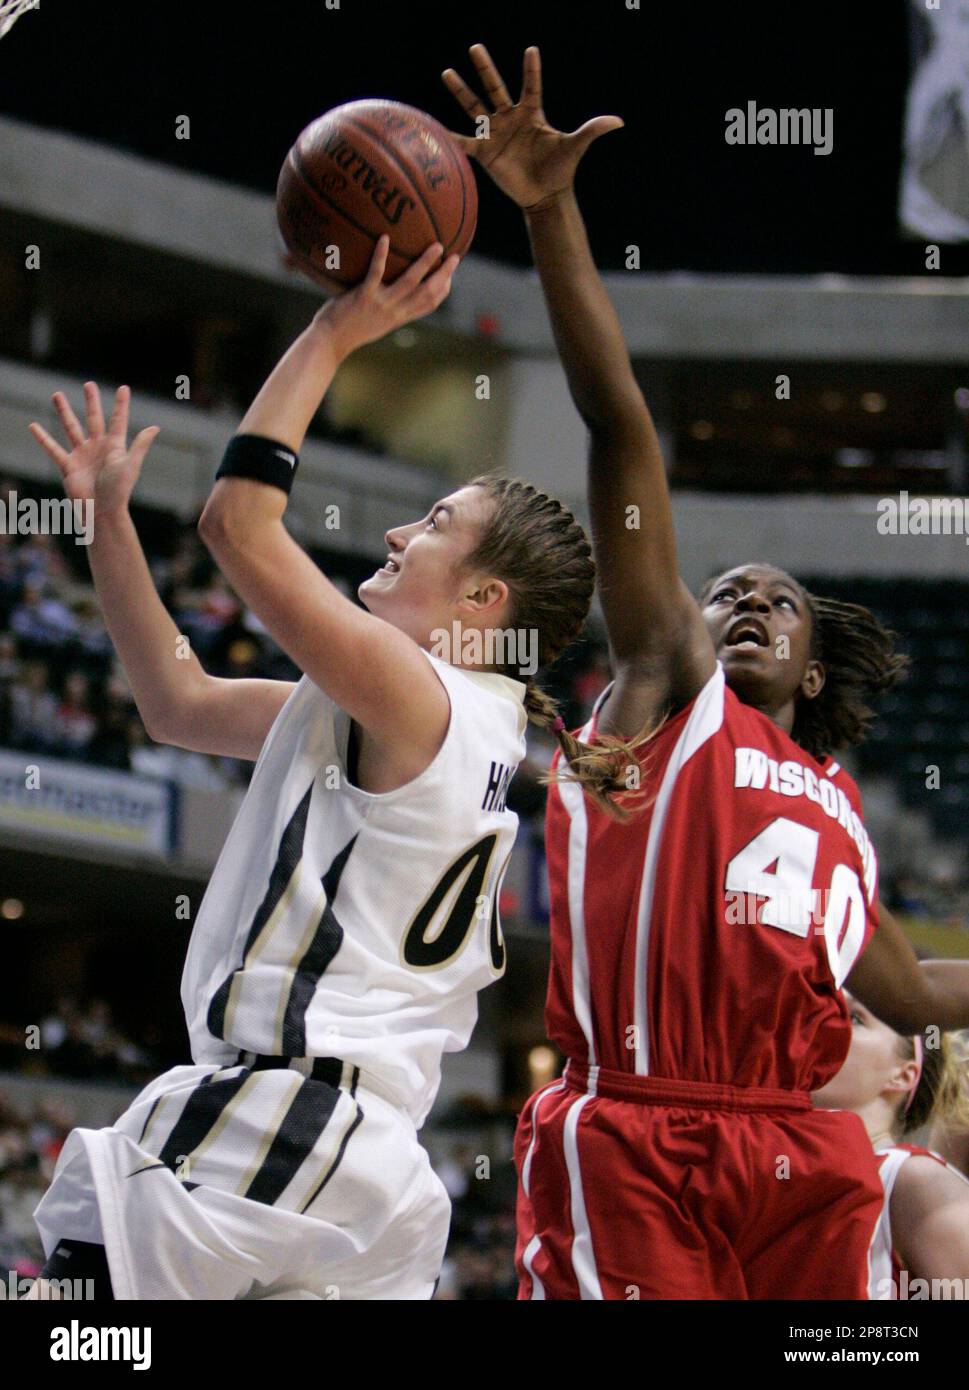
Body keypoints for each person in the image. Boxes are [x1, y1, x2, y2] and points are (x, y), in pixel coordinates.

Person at [444, 42, 969, 1299]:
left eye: (777, 599)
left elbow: (908, 984)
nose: (744, 602)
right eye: (728, 589)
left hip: (796, 1145)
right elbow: (623, 424)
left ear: (815, 651)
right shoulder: (673, 684)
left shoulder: (839, 811)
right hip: (639, 1126)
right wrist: (553, 209)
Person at [24, 237, 598, 1300]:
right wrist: (108, 523)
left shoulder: (419, 696)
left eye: (435, 524)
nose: (395, 528)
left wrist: (338, 326)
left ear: (484, 606)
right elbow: (179, 703)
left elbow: (237, 520)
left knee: (68, 1324)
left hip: (279, 1124)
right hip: (364, 1165)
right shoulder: (442, 715)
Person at [814, 995, 969, 1298]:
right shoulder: (784, 1172)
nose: (823, 1022)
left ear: (903, 1074)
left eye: (856, 1018)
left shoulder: (915, 1178)